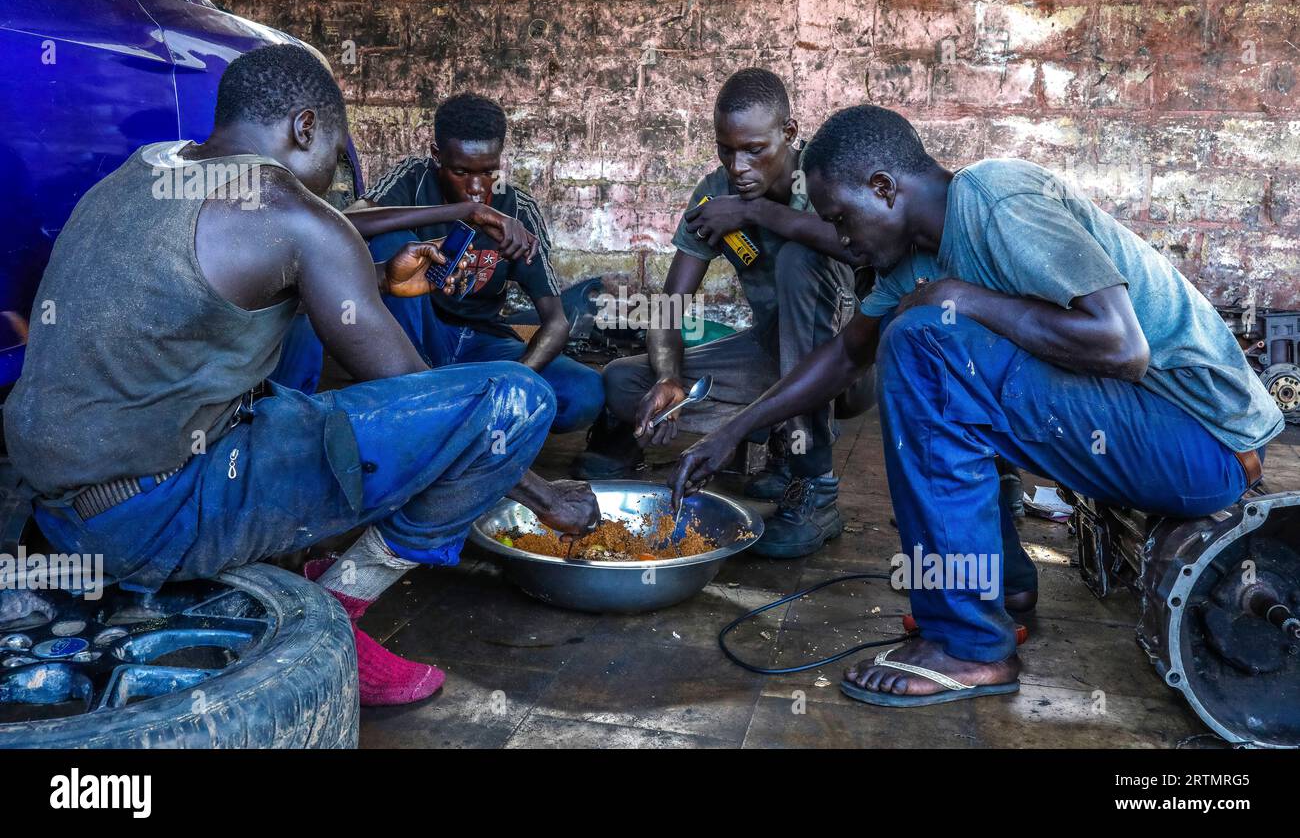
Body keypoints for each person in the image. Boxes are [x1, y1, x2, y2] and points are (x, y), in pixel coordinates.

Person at [3, 45, 599, 707]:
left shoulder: (144, 170)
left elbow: (305, 240)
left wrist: (376, 272)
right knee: (514, 399)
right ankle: (338, 614)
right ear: (306, 128)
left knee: (285, 376)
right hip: (150, 523)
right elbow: (428, 399)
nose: (333, 181)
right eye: (336, 158)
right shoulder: (291, 215)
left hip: (52, 516)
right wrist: (547, 500)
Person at [670, 104, 1282, 707]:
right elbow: (846, 355)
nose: (843, 240)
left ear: (883, 189)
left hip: (1206, 445)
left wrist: (962, 296)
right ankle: (1003, 588)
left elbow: (1121, 347)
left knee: (923, 343)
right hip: (1156, 436)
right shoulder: (911, 262)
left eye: (842, 219)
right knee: (926, 342)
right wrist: (733, 430)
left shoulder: (998, 199)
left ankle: (967, 645)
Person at [573, 68, 862, 559]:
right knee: (625, 382)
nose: (738, 165)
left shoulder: (825, 175)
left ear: (788, 134)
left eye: (754, 149)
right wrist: (667, 378)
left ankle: (816, 487)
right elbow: (668, 306)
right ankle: (778, 435)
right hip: (771, 352)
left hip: (849, 361)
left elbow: (859, 250)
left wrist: (754, 213)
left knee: (799, 259)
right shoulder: (713, 194)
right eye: (726, 149)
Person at [299, 93, 603, 434]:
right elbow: (342, 224)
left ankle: (448, 409)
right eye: (460, 172)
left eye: (488, 172)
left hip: (483, 346)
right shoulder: (413, 177)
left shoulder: (518, 211)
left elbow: (557, 323)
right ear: (436, 156)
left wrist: (514, 382)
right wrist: (463, 212)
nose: (476, 187)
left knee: (584, 393)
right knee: (391, 244)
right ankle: (418, 394)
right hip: (415, 339)